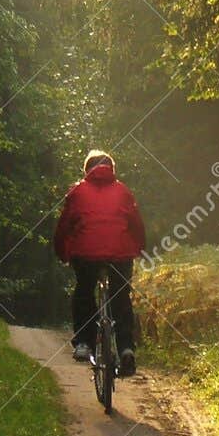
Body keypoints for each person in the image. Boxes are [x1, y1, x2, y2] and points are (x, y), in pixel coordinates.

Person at [52, 149, 146, 375]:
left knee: (84, 291)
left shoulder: (77, 192)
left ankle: (84, 342)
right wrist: (139, 248)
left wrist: (63, 253)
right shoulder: (123, 192)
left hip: (86, 254)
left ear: (86, 170)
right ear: (112, 170)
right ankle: (125, 348)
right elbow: (136, 225)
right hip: (120, 254)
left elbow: (64, 228)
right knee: (120, 296)